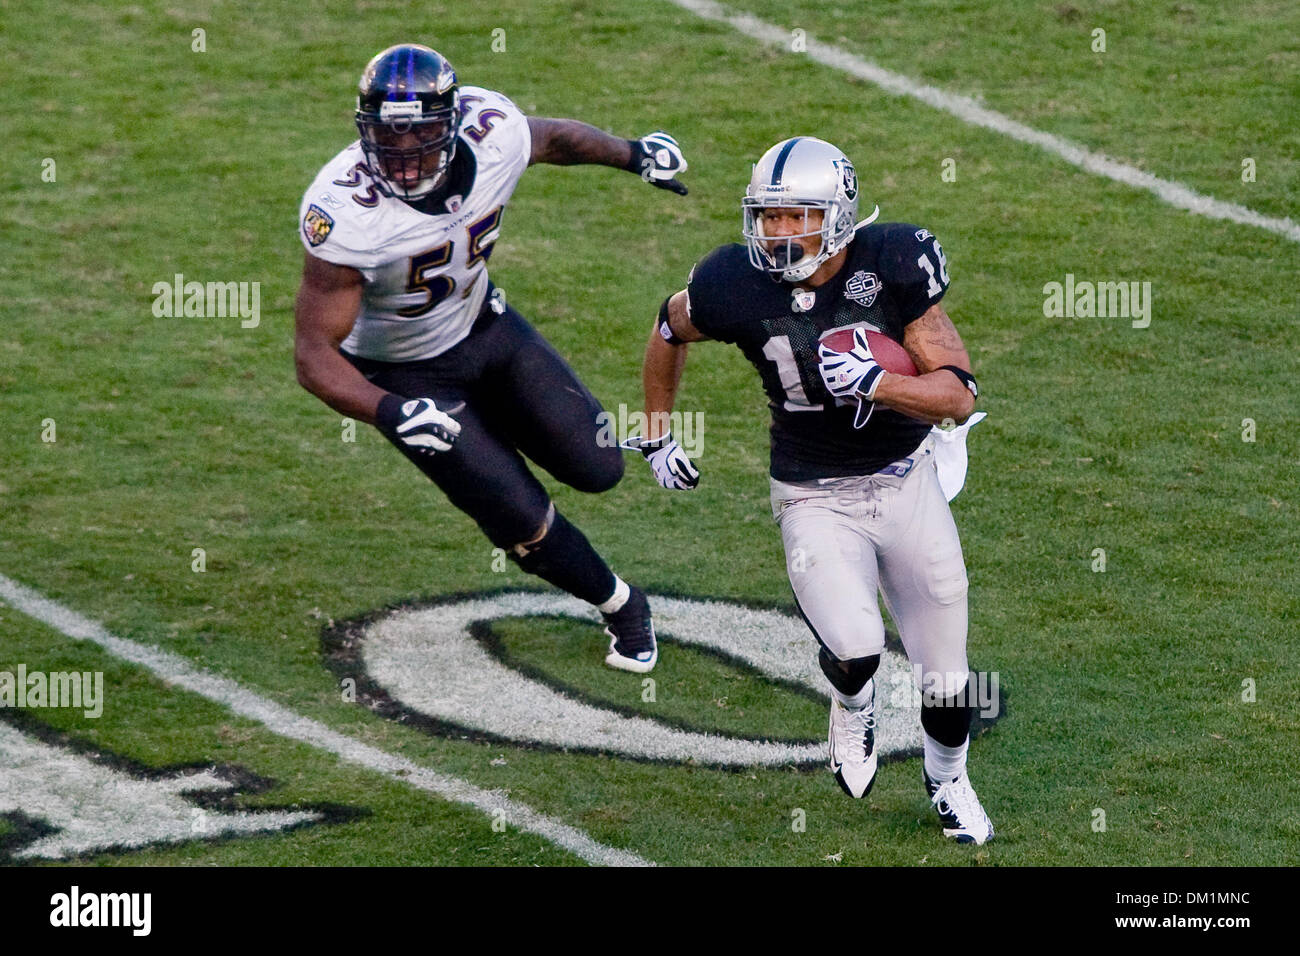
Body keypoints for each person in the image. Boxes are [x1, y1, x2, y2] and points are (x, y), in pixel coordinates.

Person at [636, 136, 993, 843]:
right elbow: (667, 326)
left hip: (904, 478)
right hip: (812, 490)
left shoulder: (891, 260)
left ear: (838, 213)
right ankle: (851, 703)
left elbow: (957, 394)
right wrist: (656, 431)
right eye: (768, 216)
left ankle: (948, 778)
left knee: (948, 681)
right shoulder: (729, 281)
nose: (778, 232)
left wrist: (881, 385)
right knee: (856, 644)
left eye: (796, 215)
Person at [294, 43, 688, 673]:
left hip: (488, 330)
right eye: (387, 135)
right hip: (406, 374)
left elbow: (554, 139)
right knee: (517, 514)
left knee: (599, 467)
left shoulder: (493, 131)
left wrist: (634, 153)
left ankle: (499, 427)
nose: (403, 150)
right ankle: (619, 603)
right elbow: (313, 355)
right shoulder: (346, 213)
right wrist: (390, 410)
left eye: (421, 130)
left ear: (452, 123)